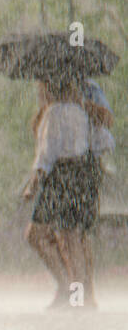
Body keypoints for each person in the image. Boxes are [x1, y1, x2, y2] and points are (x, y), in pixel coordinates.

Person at [22, 76, 103, 309]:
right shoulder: (79, 111)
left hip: (62, 176)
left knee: (38, 235)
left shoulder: (55, 113)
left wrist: (33, 184)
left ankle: (68, 287)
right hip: (82, 175)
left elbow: (47, 153)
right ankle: (80, 294)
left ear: (48, 88)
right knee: (73, 238)